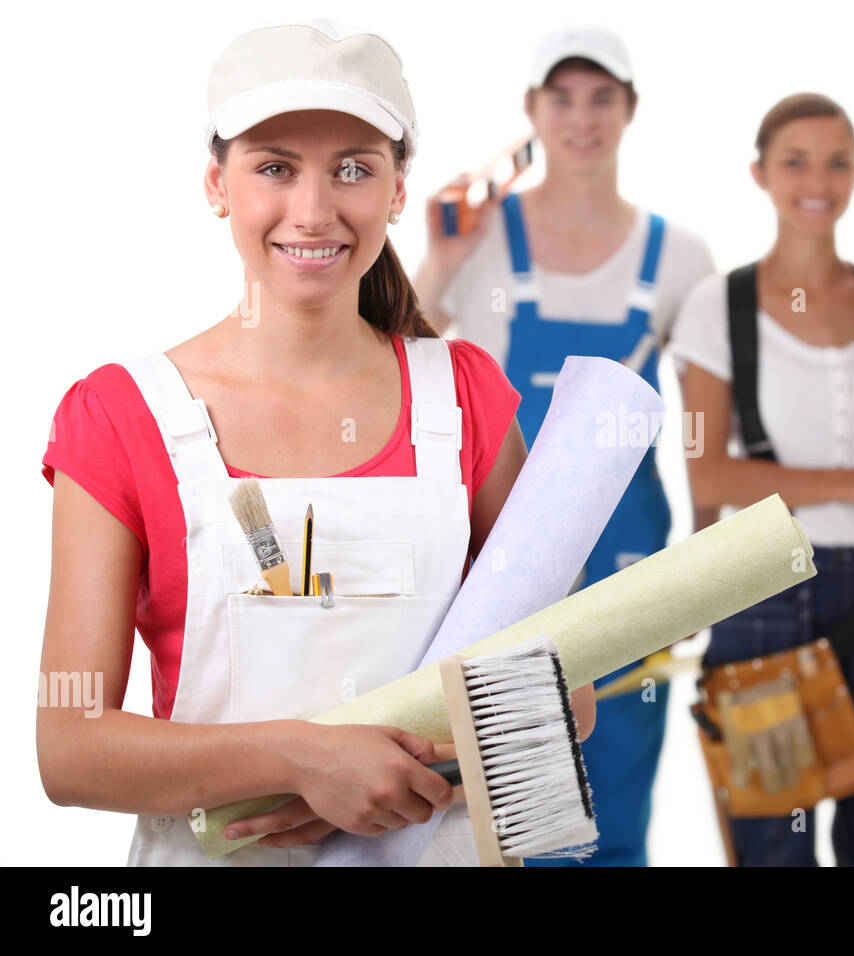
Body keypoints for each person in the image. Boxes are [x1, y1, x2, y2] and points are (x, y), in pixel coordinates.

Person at [36, 18, 594, 867]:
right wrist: (301, 759)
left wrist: (376, 776)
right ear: (217, 184)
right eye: (274, 167)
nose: (313, 210)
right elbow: (70, 749)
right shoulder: (121, 416)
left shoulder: (465, 397)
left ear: (399, 190)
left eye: (353, 170)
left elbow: (572, 686)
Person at [412, 25, 715, 866]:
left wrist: (703, 574)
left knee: (617, 799)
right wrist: (438, 259)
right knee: (513, 804)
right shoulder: (479, 243)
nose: (582, 119)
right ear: (531, 113)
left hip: (633, 570)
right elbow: (395, 363)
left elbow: (705, 431)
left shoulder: (683, 260)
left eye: (602, 98)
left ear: (630, 110)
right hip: (510, 572)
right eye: (563, 98)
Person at [672, 93, 854, 866]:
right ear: (760, 173)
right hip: (762, 591)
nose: (817, 180)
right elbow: (710, 468)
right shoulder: (717, 307)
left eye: (836, 162)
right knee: (772, 834)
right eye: (795, 161)